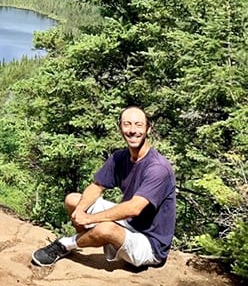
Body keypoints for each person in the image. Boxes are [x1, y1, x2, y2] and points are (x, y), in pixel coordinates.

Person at [32, 106, 176, 268]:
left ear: (148, 129)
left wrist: (90, 218)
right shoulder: (119, 158)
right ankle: (87, 239)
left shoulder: (158, 168)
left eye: (139, 125)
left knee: (106, 228)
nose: (132, 130)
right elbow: (97, 186)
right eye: (127, 124)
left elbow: (134, 208)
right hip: (130, 224)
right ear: (120, 128)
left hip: (150, 244)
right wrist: (80, 211)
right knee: (73, 200)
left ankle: (65, 244)